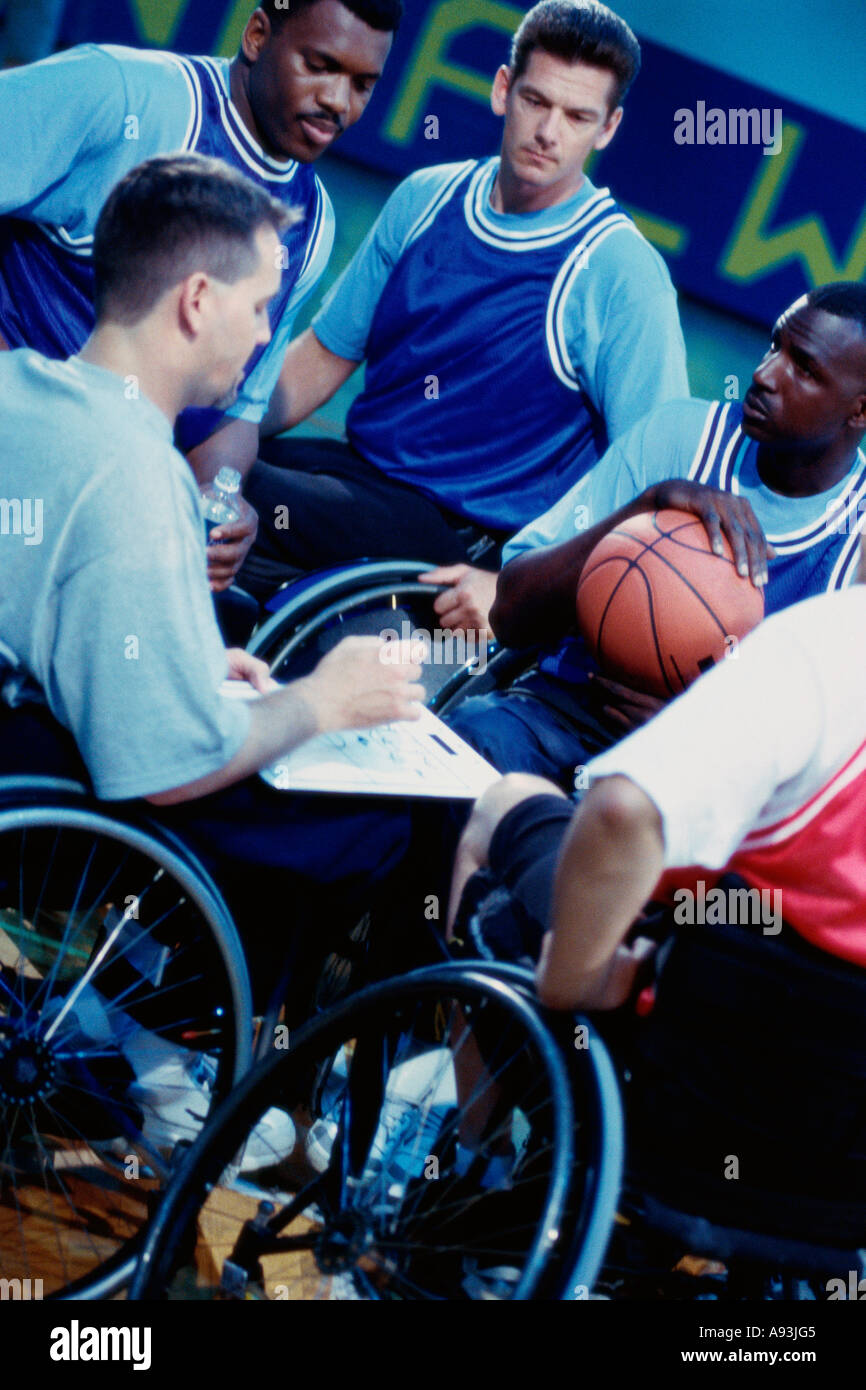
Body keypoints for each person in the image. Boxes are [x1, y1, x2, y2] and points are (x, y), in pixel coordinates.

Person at [0, 154, 423, 1003]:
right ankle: (156, 1040)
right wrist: (323, 701)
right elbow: (165, 768)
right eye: (263, 304)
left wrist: (185, 656)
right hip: (46, 811)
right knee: (372, 823)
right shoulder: (139, 469)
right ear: (197, 300)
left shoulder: (19, 386)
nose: (270, 333)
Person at [238, 0, 689, 621]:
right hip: (357, 478)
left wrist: (510, 584)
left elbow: (651, 479)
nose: (549, 132)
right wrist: (208, 426)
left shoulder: (622, 275)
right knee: (214, 463)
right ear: (504, 90)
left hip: (463, 542)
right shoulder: (425, 196)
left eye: (578, 116)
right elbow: (321, 357)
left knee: (244, 494)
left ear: (607, 128)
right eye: (537, 102)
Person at [0, 0, 401, 592]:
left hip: (85, 508)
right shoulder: (122, 95)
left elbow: (235, 414)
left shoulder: (311, 228)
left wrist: (218, 498)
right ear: (259, 34)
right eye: (320, 65)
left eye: (362, 85)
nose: (338, 103)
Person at [446, 282, 866, 785]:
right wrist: (639, 512)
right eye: (775, 345)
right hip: (560, 718)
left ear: (860, 411)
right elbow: (509, 613)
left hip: (715, 788)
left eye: (804, 369)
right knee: (470, 747)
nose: (763, 375)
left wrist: (700, 740)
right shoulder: (680, 437)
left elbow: (834, 769)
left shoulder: (854, 547)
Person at [446, 582, 866, 1013]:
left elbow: (620, 811)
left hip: (708, 1017)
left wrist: (576, 978)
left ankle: (458, 1065)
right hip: (833, 1051)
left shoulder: (830, 640)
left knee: (506, 801)